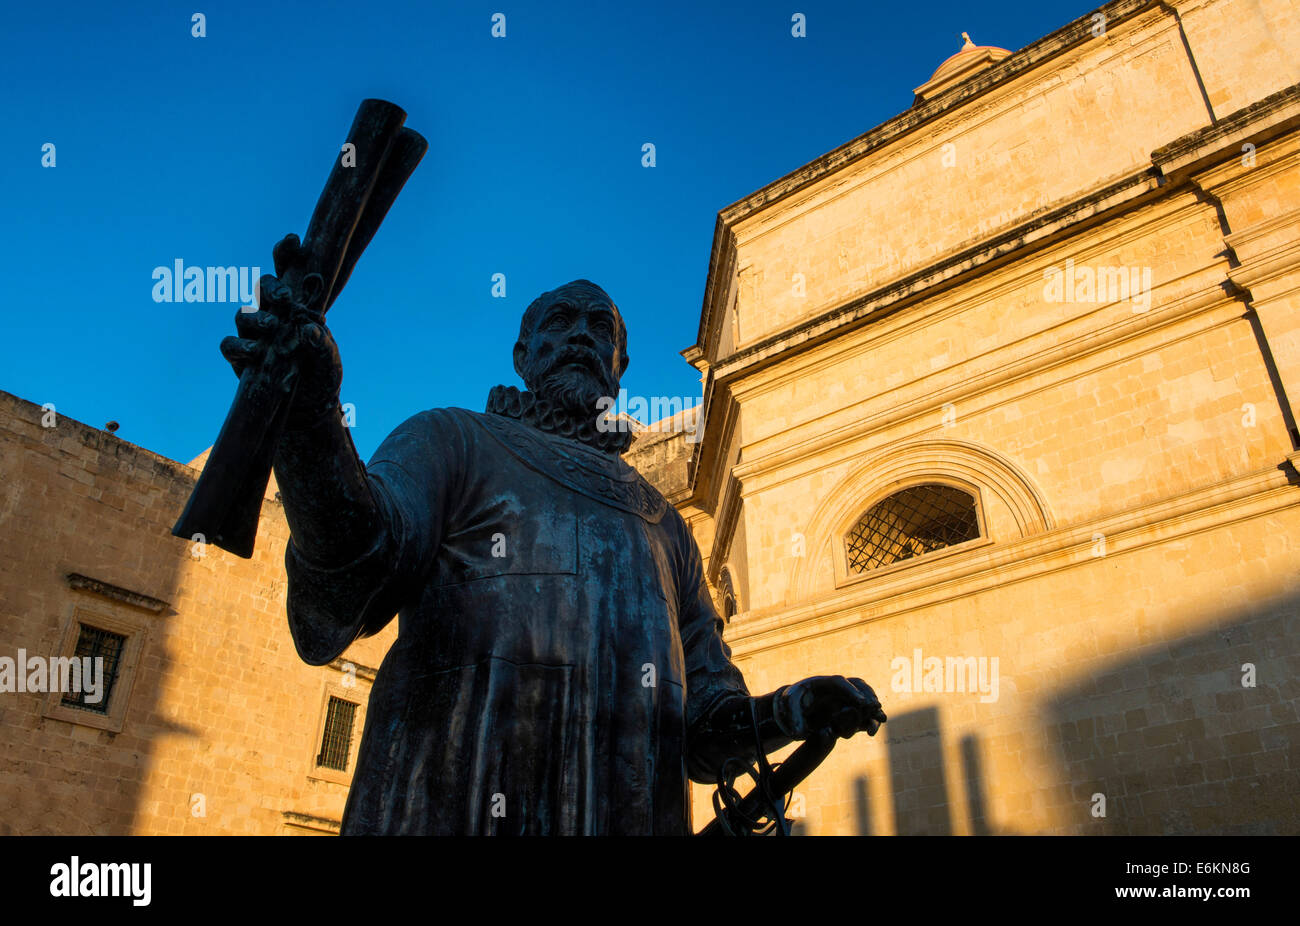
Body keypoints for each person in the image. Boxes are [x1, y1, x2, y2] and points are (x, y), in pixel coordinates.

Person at [220, 238, 887, 834]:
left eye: (601, 328)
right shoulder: (450, 440)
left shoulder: (666, 525)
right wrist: (309, 418)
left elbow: (707, 730)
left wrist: (794, 709)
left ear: (620, 363)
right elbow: (351, 579)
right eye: (560, 322)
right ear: (522, 354)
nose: (580, 336)